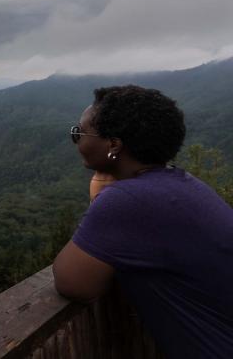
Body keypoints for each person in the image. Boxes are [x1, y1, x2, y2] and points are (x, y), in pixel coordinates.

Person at [52, 85, 233, 359]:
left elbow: (72, 282)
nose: (76, 139)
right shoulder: (184, 184)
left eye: (78, 132)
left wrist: (102, 196)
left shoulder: (127, 201)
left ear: (113, 144)